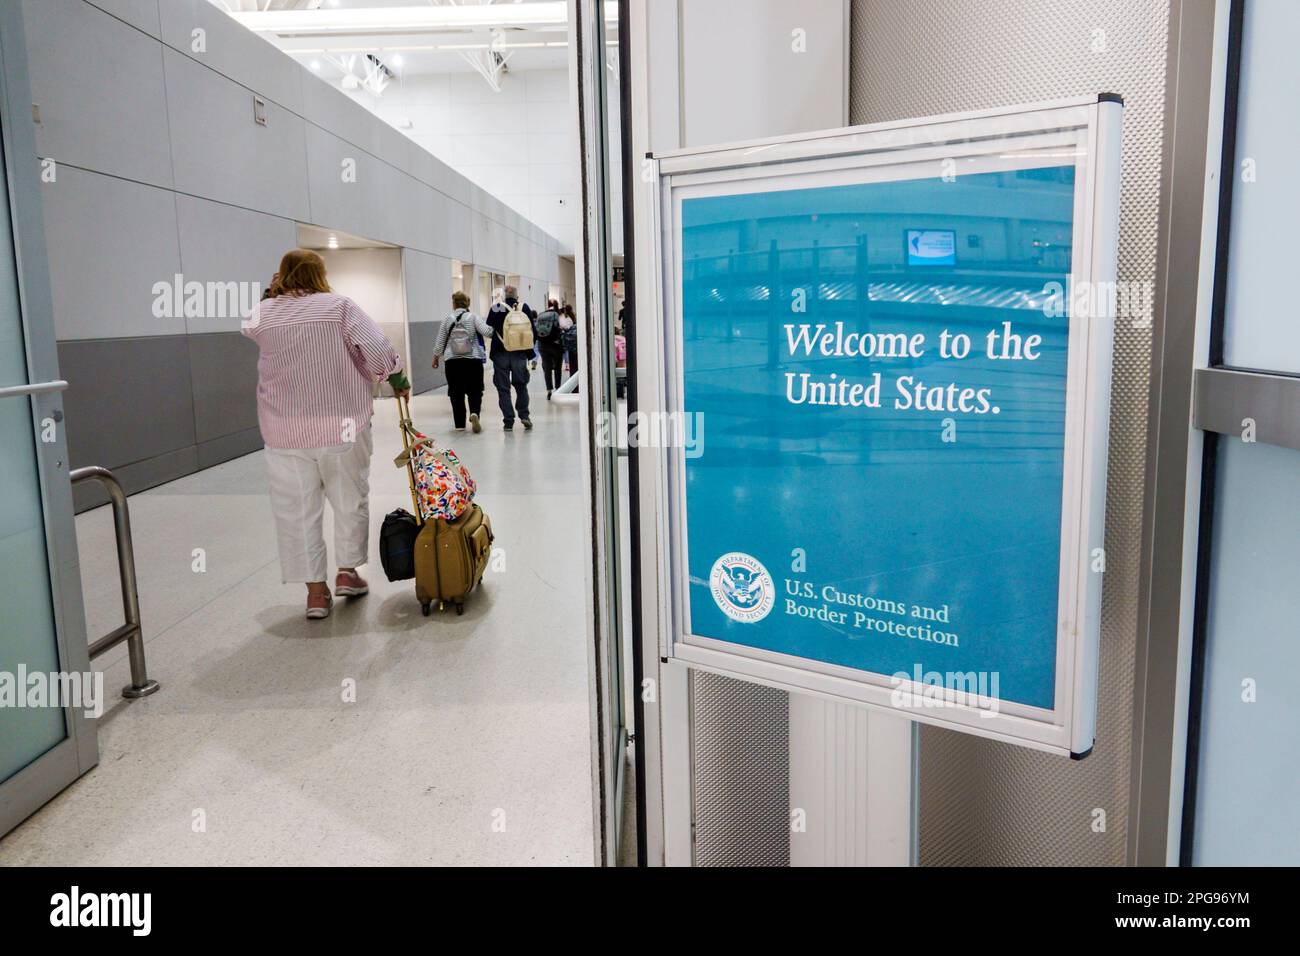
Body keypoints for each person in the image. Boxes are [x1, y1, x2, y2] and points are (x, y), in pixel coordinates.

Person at [242, 249, 410, 621]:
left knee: (296, 512)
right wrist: (396, 377)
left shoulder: (263, 313)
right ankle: (348, 573)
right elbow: (378, 350)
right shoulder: (339, 307)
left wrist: (272, 295)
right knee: (350, 499)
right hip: (342, 427)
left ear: (282, 274)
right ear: (321, 273)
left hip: (284, 432)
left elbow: (251, 325)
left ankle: (316, 595)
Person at [432, 290, 492, 432]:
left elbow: (440, 341)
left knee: (455, 392)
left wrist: (435, 357)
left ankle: (459, 424)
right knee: (475, 390)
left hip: (452, 361)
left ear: (454, 303)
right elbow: (487, 332)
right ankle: (474, 413)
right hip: (473, 360)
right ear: (467, 303)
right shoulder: (473, 317)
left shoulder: (448, 319)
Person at [485, 284, 537, 430]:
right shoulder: (524, 307)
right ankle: (524, 416)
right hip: (519, 353)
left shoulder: (497, 307)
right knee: (521, 386)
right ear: (516, 295)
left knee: (503, 389)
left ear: (504, 295)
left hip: (500, 353)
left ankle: (508, 421)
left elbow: (489, 328)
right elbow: (533, 332)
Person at [535, 298, 564, 399]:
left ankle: (549, 391)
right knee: (557, 368)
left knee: (547, 368)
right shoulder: (556, 314)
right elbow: (558, 327)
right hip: (555, 344)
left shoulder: (540, 315)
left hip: (543, 345)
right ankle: (558, 388)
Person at [560, 304, 579, 387]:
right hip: (575, 340)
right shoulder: (572, 316)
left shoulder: (565, 317)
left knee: (569, 356)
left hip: (568, 340)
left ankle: (573, 382)